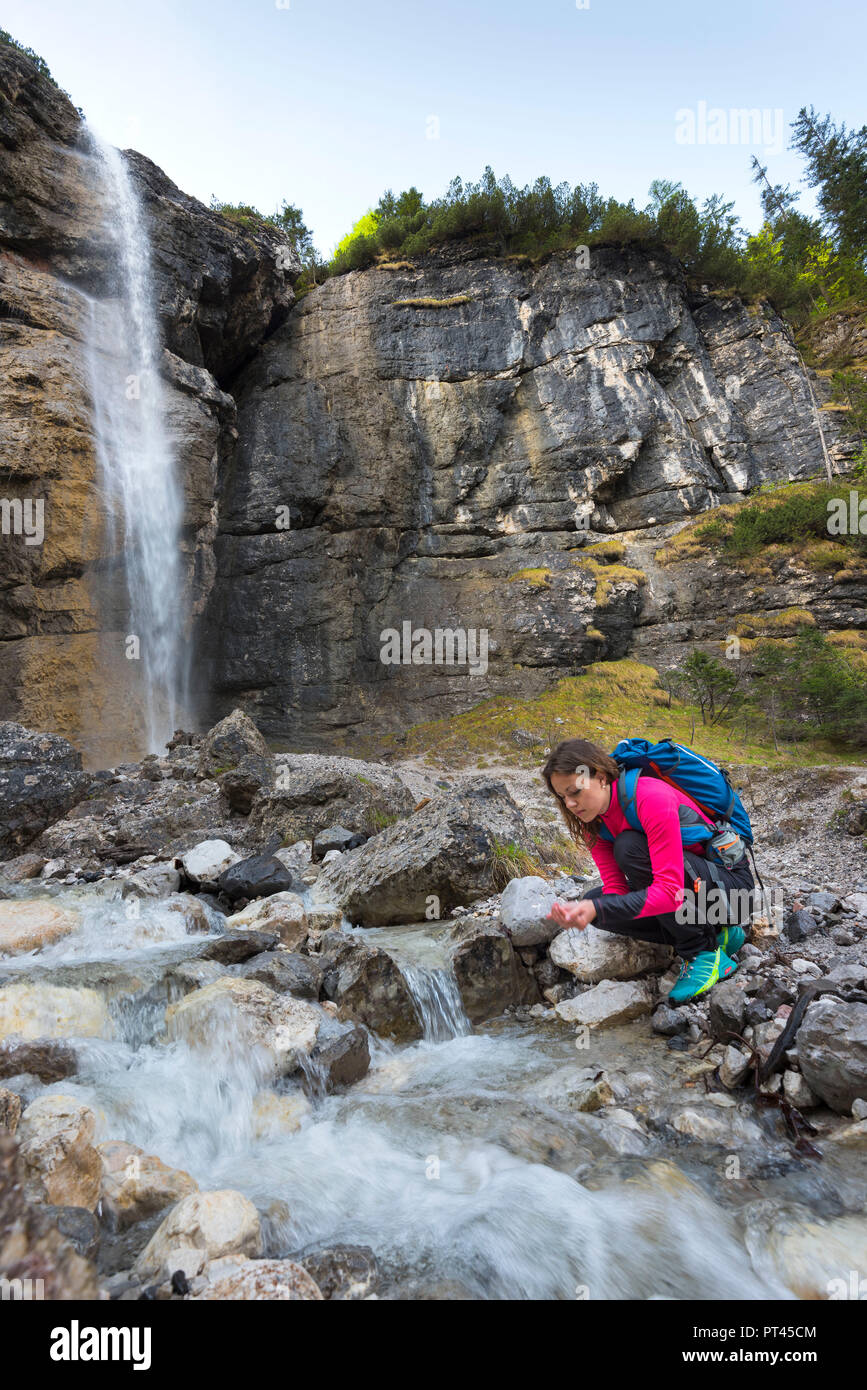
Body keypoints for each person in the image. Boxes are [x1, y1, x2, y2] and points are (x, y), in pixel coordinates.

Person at [541, 738, 755, 1004]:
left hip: (734, 894)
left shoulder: (649, 796)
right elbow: (615, 890)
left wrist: (599, 907)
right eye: (563, 797)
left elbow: (668, 892)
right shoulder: (593, 823)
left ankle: (702, 953)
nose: (570, 804)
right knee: (598, 900)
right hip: (701, 894)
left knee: (628, 848)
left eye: (575, 792)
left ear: (602, 777)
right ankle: (719, 933)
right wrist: (590, 910)